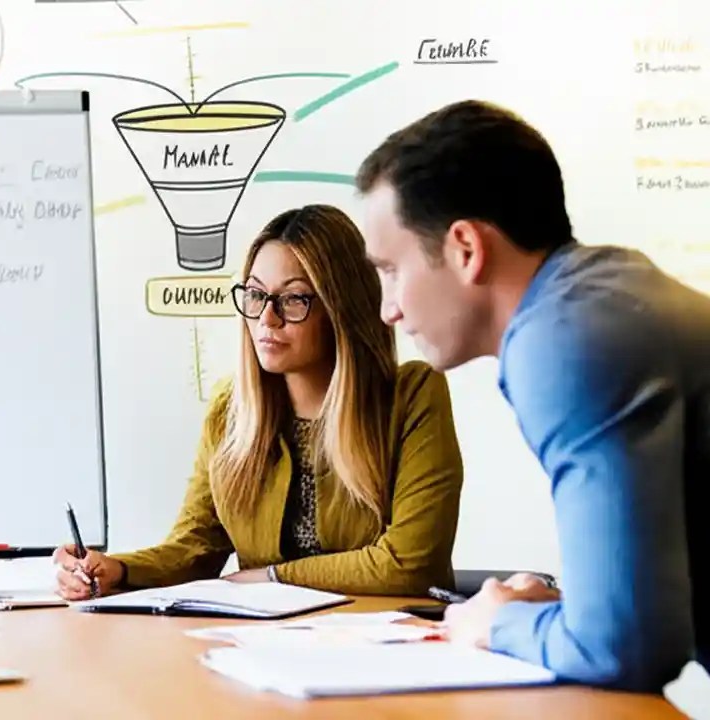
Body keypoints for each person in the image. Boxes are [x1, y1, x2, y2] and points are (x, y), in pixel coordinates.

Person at [355, 98, 706, 692]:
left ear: (466, 248)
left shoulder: (564, 340)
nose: (388, 309)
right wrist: (548, 613)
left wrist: (498, 621)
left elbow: (622, 646)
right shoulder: (604, 290)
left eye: (390, 270)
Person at [54, 204, 465, 599]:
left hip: (386, 650)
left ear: (342, 307)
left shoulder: (413, 396)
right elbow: (193, 550)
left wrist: (272, 578)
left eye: (293, 299)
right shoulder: (230, 410)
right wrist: (115, 568)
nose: (267, 319)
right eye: (255, 295)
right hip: (260, 645)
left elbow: (411, 563)